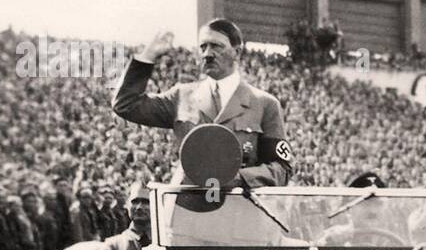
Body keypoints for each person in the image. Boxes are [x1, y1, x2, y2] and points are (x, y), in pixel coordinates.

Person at [112, 18, 293, 188]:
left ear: (237, 52)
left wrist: (238, 177)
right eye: (203, 47)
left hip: (239, 209)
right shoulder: (181, 96)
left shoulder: (264, 104)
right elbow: (126, 105)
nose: (207, 54)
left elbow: (281, 169)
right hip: (187, 206)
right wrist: (148, 55)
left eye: (216, 46)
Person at [90, 180, 153, 250]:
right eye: (135, 202)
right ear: (128, 206)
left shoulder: (166, 247)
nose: (139, 207)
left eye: (146, 202)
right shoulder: (112, 246)